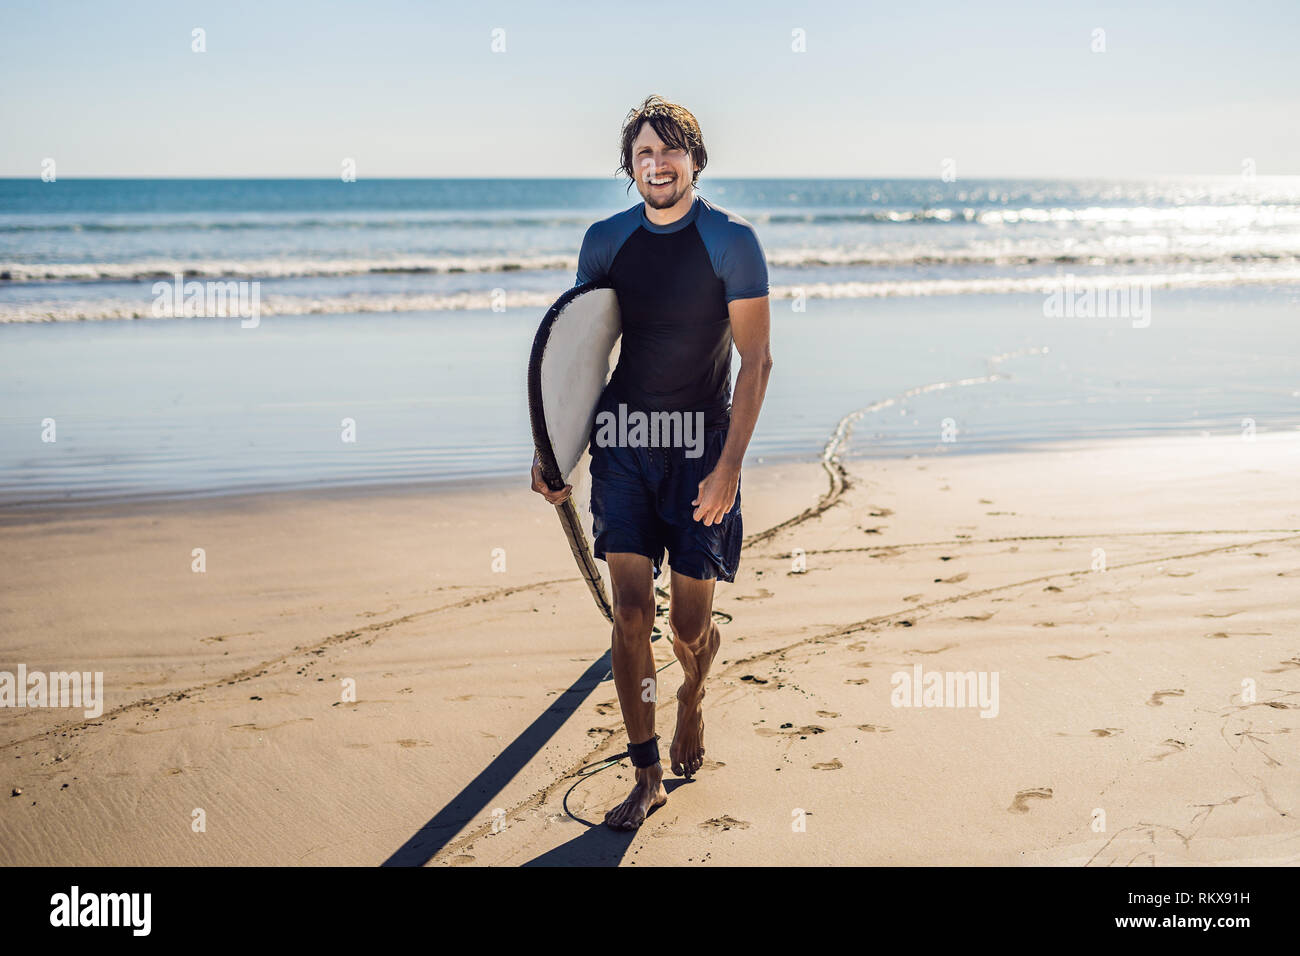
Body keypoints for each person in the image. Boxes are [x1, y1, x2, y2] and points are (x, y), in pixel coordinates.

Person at [531, 95, 772, 830]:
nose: (656, 163)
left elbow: (756, 362)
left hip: (702, 450)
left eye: (669, 150)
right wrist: (553, 451)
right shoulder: (605, 241)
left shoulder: (732, 241)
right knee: (631, 614)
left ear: (694, 158)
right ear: (629, 165)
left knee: (689, 631)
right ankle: (646, 774)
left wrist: (729, 467)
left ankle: (693, 695)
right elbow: (581, 355)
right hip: (626, 446)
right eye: (643, 152)